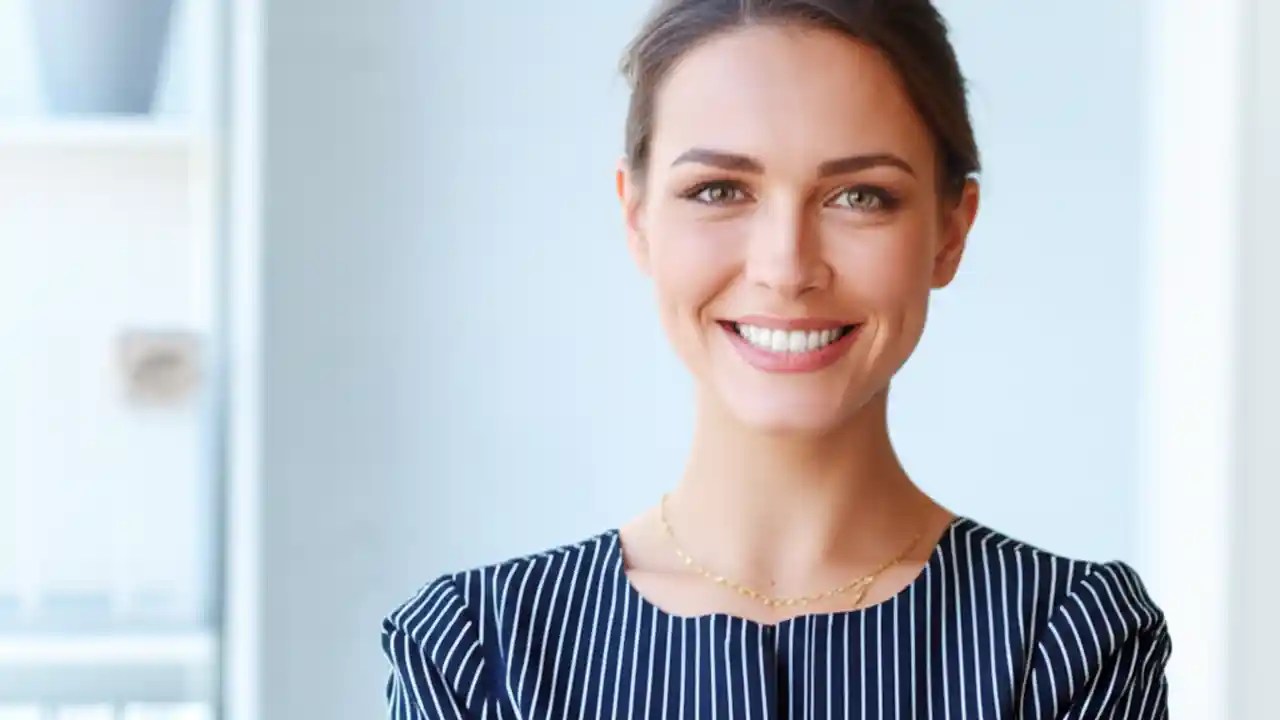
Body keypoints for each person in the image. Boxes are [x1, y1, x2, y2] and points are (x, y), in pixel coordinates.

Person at [381, 0, 1172, 717]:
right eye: (720, 190)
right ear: (637, 217)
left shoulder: (1066, 641)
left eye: (860, 195)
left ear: (950, 230)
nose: (786, 267)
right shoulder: (481, 653)